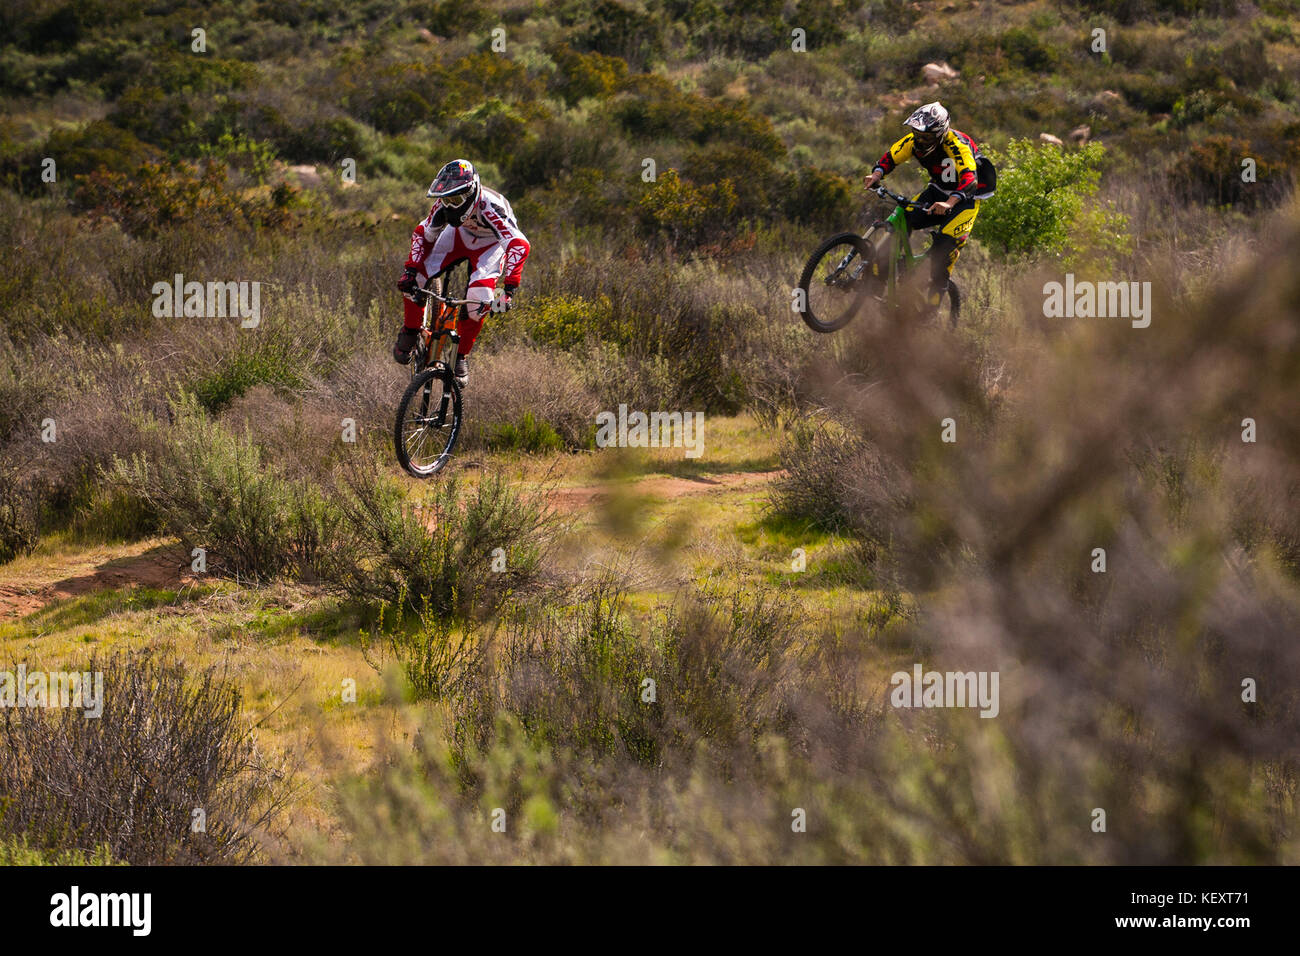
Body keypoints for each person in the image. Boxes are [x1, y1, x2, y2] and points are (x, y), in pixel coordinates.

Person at [394, 159, 530, 386]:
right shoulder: (442, 206)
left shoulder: (491, 206)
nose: (449, 206)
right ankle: (410, 330)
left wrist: (508, 290)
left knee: (480, 300)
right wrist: (410, 270)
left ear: (472, 192)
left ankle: (460, 356)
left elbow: (518, 243)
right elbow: (422, 234)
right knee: (414, 280)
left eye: (455, 199)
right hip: (459, 236)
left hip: (491, 245)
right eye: (445, 199)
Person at [863, 102, 994, 312]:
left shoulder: (957, 145)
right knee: (901, 220)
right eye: (916, 134)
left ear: (941, 133)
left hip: (965, 201)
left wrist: (950, 203)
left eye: (926, 136)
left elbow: (970, 180)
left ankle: (931, 312)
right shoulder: (913, 141)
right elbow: (890, 157)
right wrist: (876, 175)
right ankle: (879, 283)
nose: (920, 140)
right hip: (936, 192)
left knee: (943, 253)